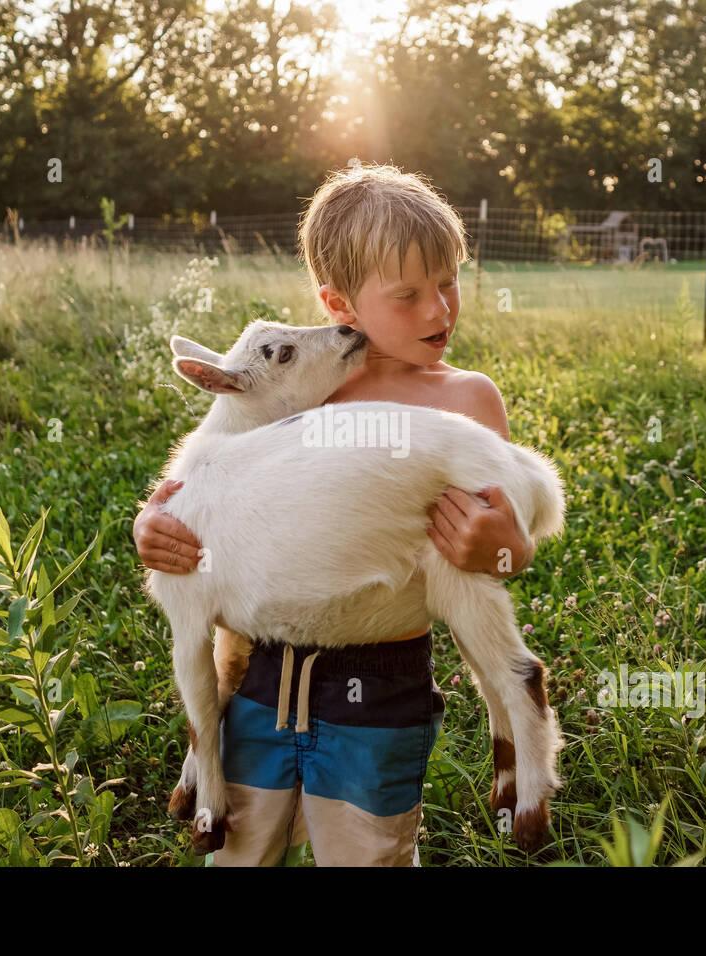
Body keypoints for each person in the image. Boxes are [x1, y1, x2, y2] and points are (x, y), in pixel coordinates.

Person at [134, 162, 535, 866]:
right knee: (240, 847)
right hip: (259, 675)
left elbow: (499, 550)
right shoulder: (300, 387)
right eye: (409, 294)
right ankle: (207, 766)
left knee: (368, 850)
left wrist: (507, 547)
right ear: (338, 303)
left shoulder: (468, 401)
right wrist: (153, 528)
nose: (439, 311)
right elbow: (210, 490)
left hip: (379, 686)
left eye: (449, 283)